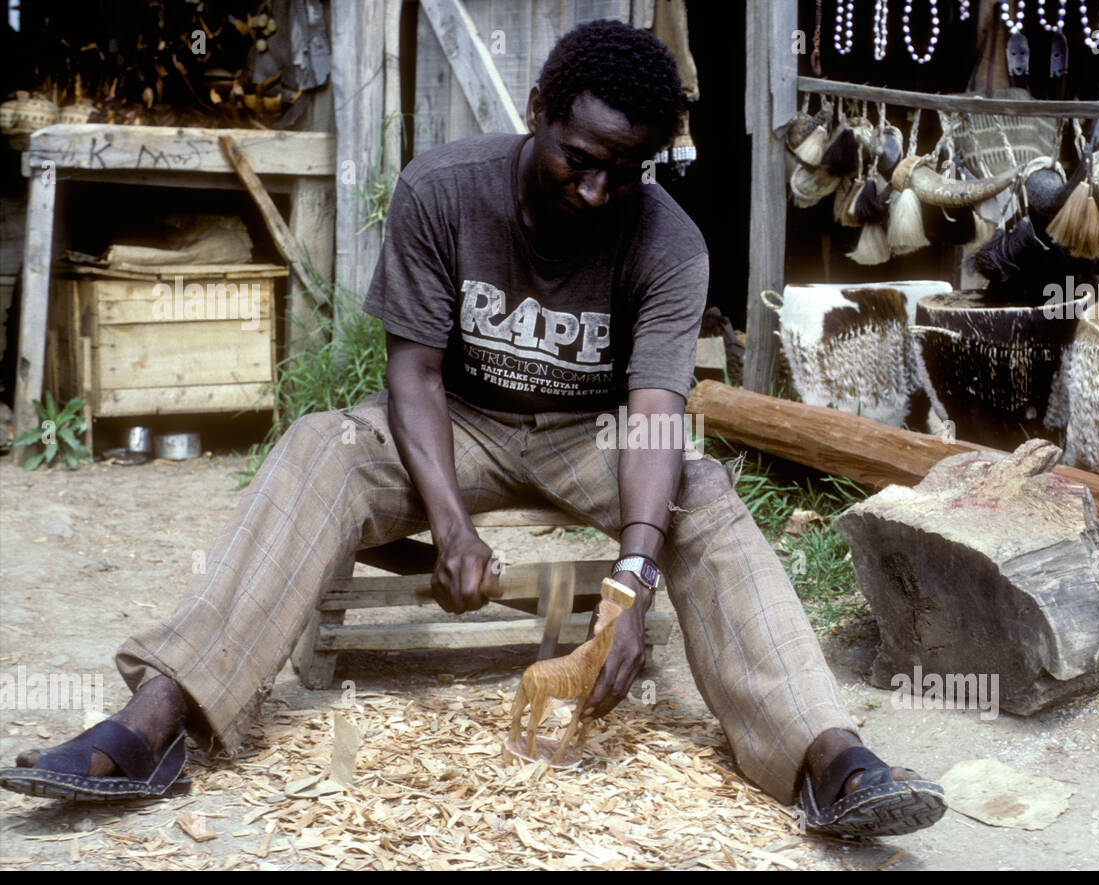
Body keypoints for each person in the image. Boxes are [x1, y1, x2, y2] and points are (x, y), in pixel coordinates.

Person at [1, 19, 945, 840]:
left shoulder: (669, 242)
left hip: (595, 439)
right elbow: (409, 370)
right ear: (537, 110)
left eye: (626, 171)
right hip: (457, 423)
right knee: (321, 447)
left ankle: (830, 759)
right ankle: (151, 722)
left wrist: (632, 580)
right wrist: (450, 522)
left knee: (699, 489)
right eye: (581, 158)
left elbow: (656, 415)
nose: (595, 191)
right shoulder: (442, 190)